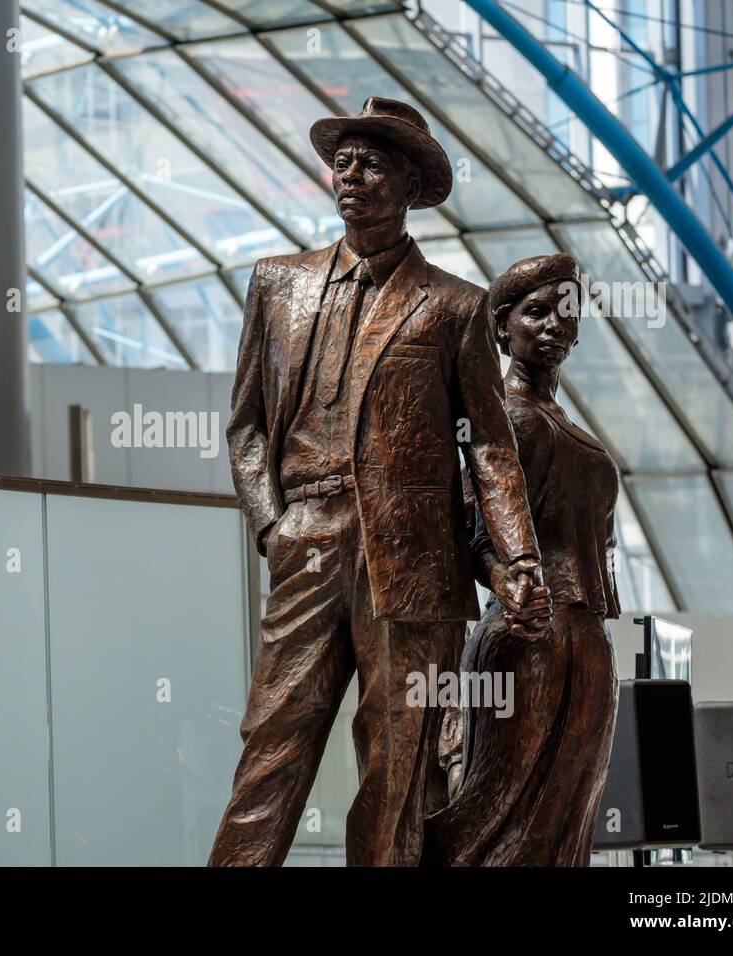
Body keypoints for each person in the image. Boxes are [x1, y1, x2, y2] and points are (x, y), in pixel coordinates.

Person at [209, 98, 548, 867]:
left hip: (415, 565)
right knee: (273, 739)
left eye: (371, 163)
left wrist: (519, 559)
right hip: (309, 545)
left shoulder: (455, 307)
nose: (349, 175)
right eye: (343, 161)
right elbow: (247, 426)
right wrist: (273, 525)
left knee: (400, 764)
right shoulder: (277, 285)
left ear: (408, 183)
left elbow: (490, 451)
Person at [425, 253, 620, 866]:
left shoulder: (557, 421)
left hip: (586, 636)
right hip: (531, 634)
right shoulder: (506, 419)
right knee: (504, 809)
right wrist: (506, 583)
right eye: (536, 312)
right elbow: (470, 534)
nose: (554, 325)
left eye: (567, 312)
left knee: (570, 807)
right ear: (502, 326)